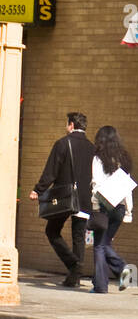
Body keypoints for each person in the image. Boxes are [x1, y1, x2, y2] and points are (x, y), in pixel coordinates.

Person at [30, 112, 94, 288]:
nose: (66, 127)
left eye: (67, 124)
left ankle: (74, 265)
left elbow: (51, 170)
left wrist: (38, 189)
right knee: (78, 237)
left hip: (65, 197)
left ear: (71, 125)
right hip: (85, 199)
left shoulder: (63, 143)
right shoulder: (92, 147)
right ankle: (75, 277)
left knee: (52, 231)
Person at [89, 126, 137, 294]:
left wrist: (95, 205)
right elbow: (127, 187)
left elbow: (96, 184)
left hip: (103, 205)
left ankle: (102, 285)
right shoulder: (124, 158)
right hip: (119, 207)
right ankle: (125, 273)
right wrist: (129, 211)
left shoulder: (98, 158)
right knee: (105, 243)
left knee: (99, 246)